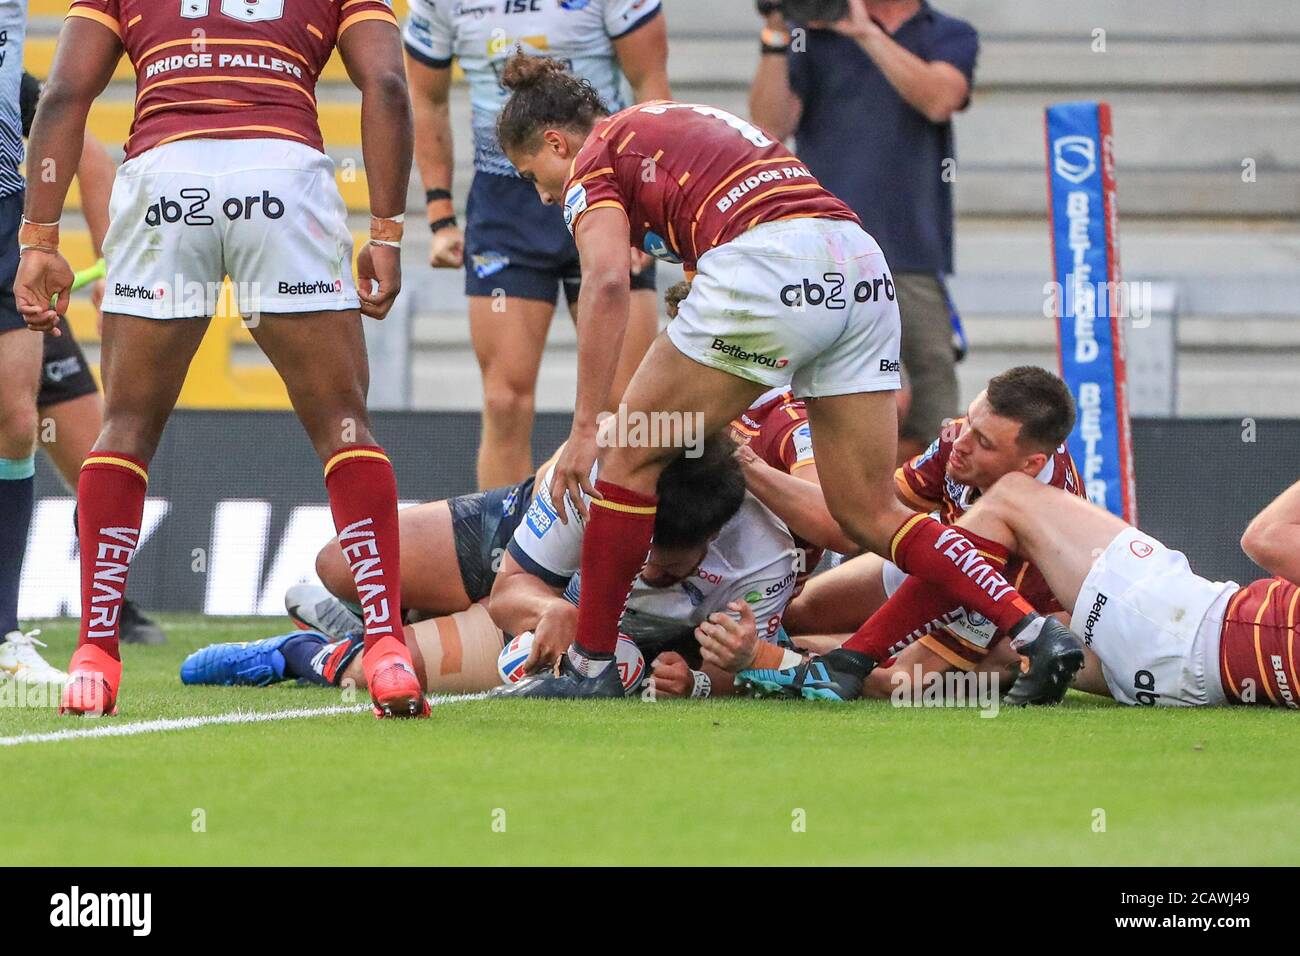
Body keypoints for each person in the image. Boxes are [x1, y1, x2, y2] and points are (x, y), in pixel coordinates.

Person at [489, 52, 1082, 704]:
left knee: (627, 449)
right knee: (868, 511)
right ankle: (1030, 631)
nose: (544, 194)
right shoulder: (667, 122)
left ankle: (592, 663)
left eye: (533, 175)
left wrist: (582, 428)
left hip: (772, 266)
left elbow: (604, 282)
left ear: (555, 140)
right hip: (857, 263)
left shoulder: (595, 154)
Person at [16, 0, 426, 718]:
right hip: (282, 177)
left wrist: (41, 240)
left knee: (126, 430)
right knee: (342, 426)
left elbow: (63, 95)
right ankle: (388, 647)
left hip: (165, 184)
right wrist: (387, 231)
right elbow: (388, 85)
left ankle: (94, 658)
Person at [180, 440, 803, 699]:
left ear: (713, 537)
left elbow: (749, 674)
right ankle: (378, 615)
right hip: (528, 558)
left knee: (396, 674)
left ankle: (303, 653)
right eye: (634, 554)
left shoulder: (763, 553)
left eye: (664, 570)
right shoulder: (599, 481)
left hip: (607, 634)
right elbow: (513, 590)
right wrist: (547, 608)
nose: (646, 572)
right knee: (343, 560)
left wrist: (713, 673)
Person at [403, 0, 669, 488]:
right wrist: (440, 213)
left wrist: (642, 203)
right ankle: (504, 556)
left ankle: (631, 557)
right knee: (504, 401)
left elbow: (649, 84)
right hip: (507, 205)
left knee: (629, 411)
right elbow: (427, 99)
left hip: (603, 188)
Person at [768, 472, 1300, 708]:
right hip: (1181, 688)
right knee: (989, 655)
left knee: (1012, 501)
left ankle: (851, 658)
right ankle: (775, 657)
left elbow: (1265, 537)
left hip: (1181, 622)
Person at [749, 0, 978, 461]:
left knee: (932, 399)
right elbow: (770, 126)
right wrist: (776, 33)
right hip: (824, 251)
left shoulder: (947, 32)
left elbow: (938, 99)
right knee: (816, 391)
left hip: (910, 249)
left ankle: (920, 516)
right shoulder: (811, 35)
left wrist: (865, 32)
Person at [777, 366, 1084, 674]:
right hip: (943, 555)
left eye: (984, 442)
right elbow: (875, 510)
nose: (961, 443)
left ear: (1031, 465)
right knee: (789, 614)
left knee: (893, 677)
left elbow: (902, 678)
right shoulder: (962, 438)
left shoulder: (1034, 538)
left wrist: (771, 656)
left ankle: (778, 662)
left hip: (1001, 604)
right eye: (969, 420)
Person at [21, 69, 166, 646]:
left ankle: (109, 604)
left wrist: (115, 260)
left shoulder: (11, 81)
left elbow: (90, 155)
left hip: (15, 300)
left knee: (100, 463)